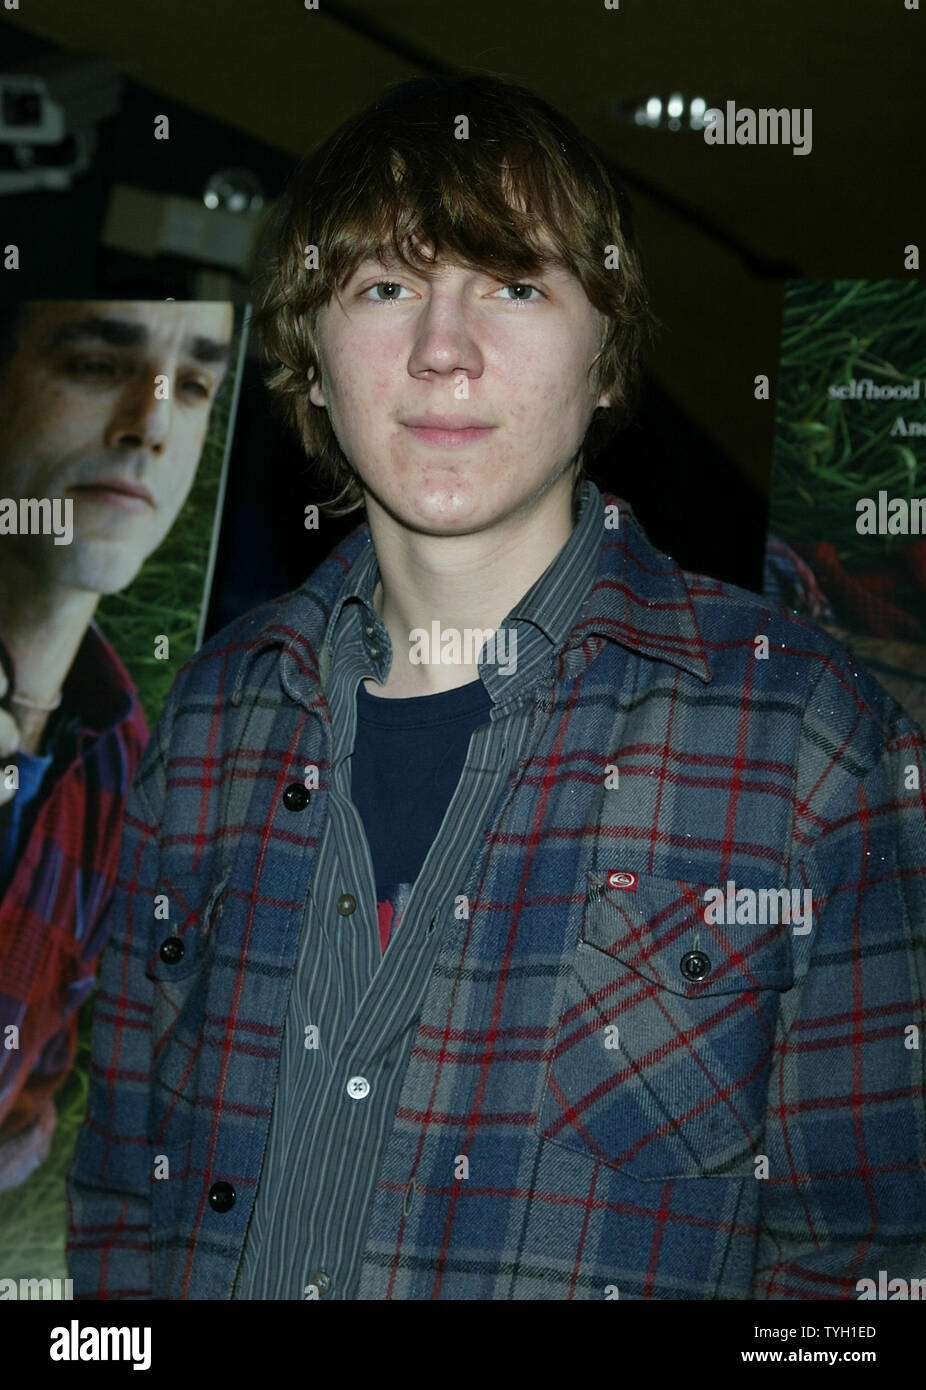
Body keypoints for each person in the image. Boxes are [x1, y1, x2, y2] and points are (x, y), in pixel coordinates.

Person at [67, 75, 926, 1301]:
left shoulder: (805, 736)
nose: (440, 350)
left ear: (606, 353)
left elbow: (862, 1266)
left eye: (513, 286)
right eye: (384, 288)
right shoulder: (209, 716)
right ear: (312, 359)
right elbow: (118, 1193)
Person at [0, 299, 234, 1191]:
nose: (152, 427)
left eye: (198, 382)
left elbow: (33, 1082)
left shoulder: (126, 775)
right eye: (98, 364)